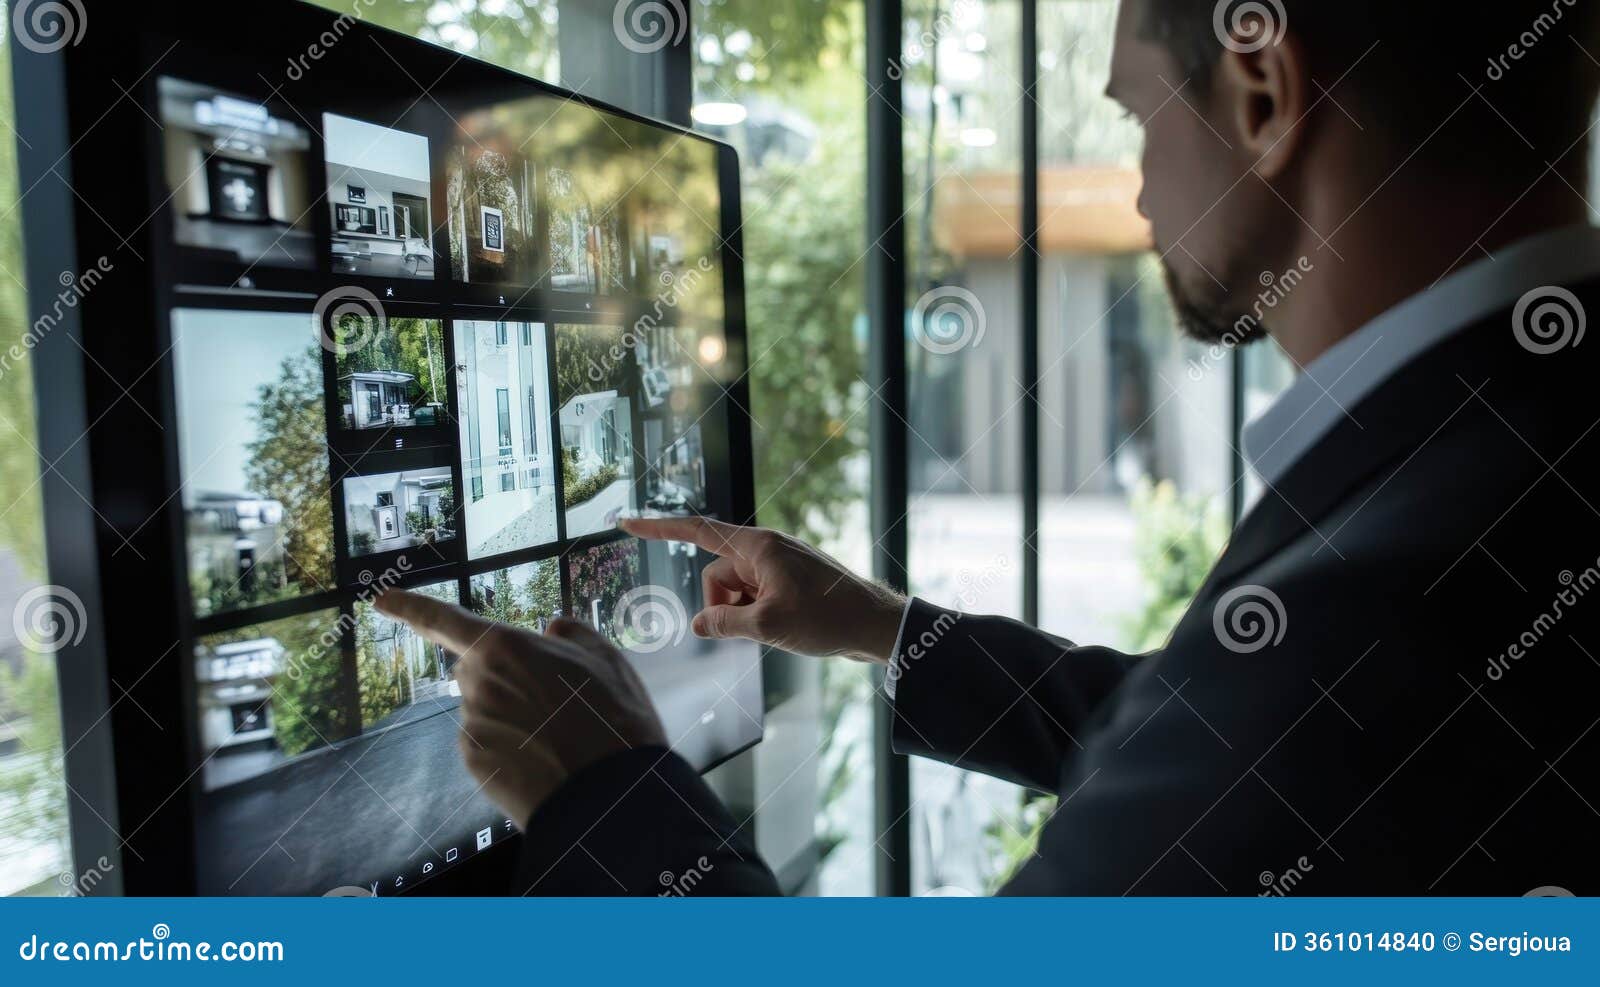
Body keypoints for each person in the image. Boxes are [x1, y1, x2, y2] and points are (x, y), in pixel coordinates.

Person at [376, 0, 1600, 895]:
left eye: (1137, 118)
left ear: (1263, 94)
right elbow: (1234, 753)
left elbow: (1278, 738)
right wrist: (888, 628)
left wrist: (599, 792)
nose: (1137, 193)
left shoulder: (1376, 594)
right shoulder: (1511, 462)